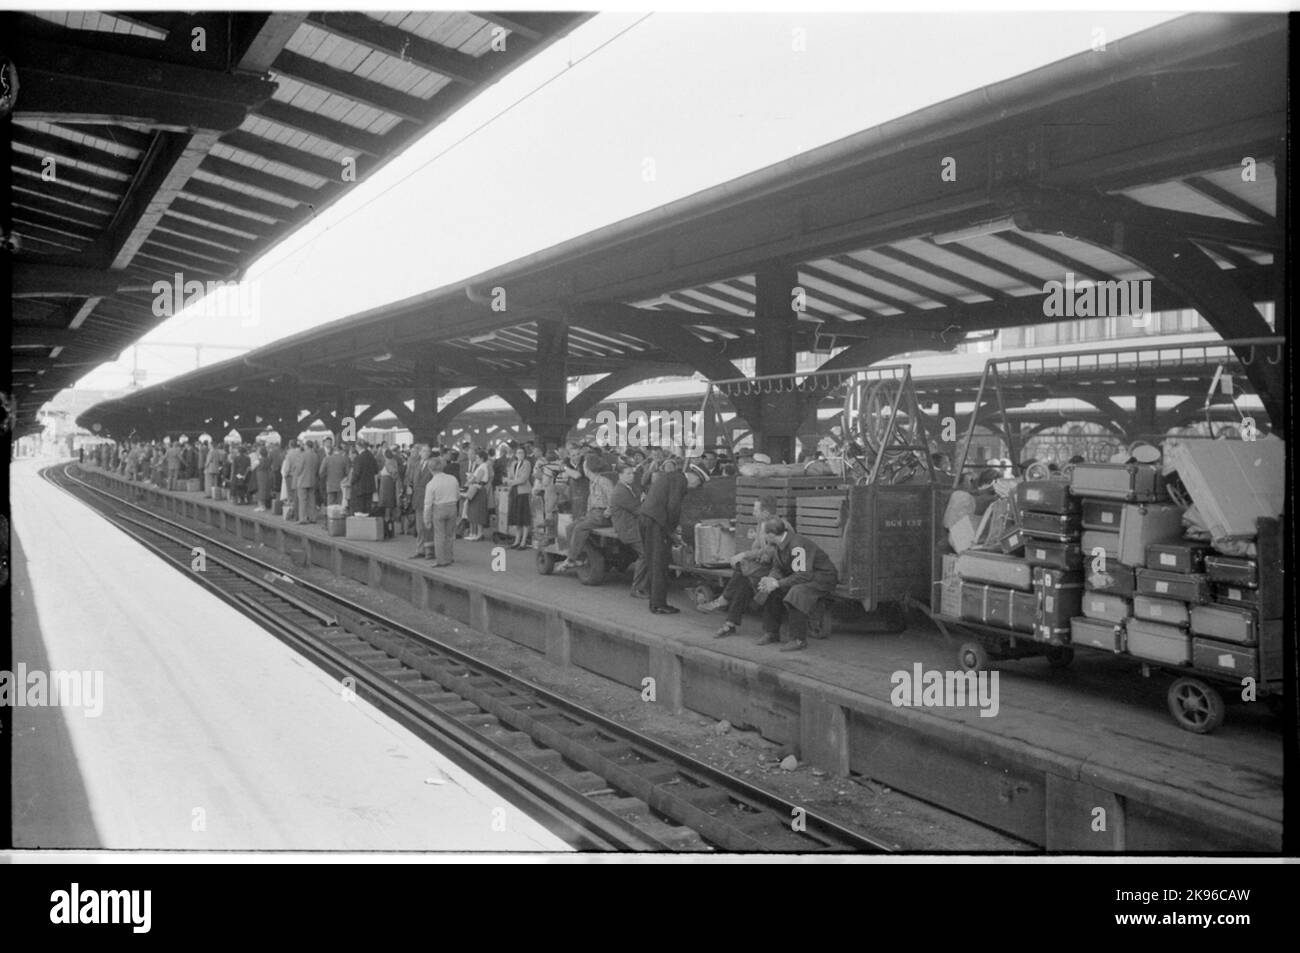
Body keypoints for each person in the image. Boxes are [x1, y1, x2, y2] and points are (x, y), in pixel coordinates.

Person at [699, 496, 791, 629]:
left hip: (780, 569)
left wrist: (745, 555)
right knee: (743, 579)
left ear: (765, 513)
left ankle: (725, 603)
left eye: (755, 510)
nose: (753, 513)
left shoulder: (779, 525)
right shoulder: (762, 524)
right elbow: (759, 548)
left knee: (741, 568)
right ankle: (730, 622)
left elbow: (771, 551)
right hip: (767, 566)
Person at [749, 518, 839, 652]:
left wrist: (778, 583)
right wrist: (770, 580)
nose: (762, 537)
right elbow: (778, 568)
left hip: (823, 577)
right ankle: (771, 633)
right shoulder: (780, 544)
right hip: (807, 576)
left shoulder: (796, 545)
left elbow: (803, 575)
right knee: (770, 591)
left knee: (797, 592)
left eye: (763, 534)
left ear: (771, 535)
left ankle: (798, 640)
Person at [638, 457, 687, 614]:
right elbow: (673, 506)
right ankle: (659, 604)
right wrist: (672, 531)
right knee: (659, 563)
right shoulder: (680, 479)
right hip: (655, 522)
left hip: (645, 517)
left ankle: (655, 602)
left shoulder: (665, 477)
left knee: (652, 561)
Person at [558, 455, 615, 571]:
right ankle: (577, 557)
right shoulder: (592, 482)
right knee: (570, 527)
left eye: (584, 466)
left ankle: (571, 559)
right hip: (593, 514)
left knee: (580, 528)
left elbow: (613, 500)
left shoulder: (604, 482)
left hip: (601, 514)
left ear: (589, 468)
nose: (583, 469)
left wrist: (608, 512)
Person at [609, 464, 647, 598]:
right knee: (646, 555)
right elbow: (638, 509)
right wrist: (643, 500)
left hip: (634, 526)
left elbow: (641, 497)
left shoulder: (630, 487)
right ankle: (637, 588)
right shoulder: (620, 491)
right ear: (620, 475)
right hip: (628, 529)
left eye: (632, 473)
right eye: (628, 474)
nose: (632, 476)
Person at [423, 456, 461, 567]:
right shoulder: (452, 479)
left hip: (439, 509)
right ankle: (449, 557)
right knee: (449, 535)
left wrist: (427, 519)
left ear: (430, 469)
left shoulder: (431, 484)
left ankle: (441, 560)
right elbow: (458, 495)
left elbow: (428, 504)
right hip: (452, 507)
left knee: (439, 535)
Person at [506, 445, 533, 549]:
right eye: (518, 453)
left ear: (525, 454)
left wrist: (511, 482)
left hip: (523, 492)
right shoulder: (513, 463)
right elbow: (511, 476)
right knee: (517, 517)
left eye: (522, 453)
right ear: (515, 454)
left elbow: (523, 479)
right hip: (515, 492)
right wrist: (510, 480)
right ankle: (517, 540)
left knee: (524, 517)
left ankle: (523, 541)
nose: (520, 455)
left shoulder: (527, 463)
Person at [463, 448, 492, 541]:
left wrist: (470, 478)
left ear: (482, 458)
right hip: (477, 489)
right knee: (474, 511)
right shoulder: (481, 466)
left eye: (478, 457)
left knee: (478, 512)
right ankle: (475, 533)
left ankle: (479, 533)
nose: (476, 459)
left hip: (478, 489)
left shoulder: (483, 466)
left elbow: (477, 479)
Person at [296, 440, 320, 524]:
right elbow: (317, 468)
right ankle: (313, 517)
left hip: (302, 480)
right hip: (312, 480)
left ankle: (303, 518)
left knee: (302, 500)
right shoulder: (315, 456)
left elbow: (299, 469)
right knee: (312, 500)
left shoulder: (303, 455)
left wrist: (297, 474)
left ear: (306, 446)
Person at [351, 441, 378, 514]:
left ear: (359, 446)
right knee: (367, 510)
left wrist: (351, 481)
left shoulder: (358, 458)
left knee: (360, 510)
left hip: (360, 486)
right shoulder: (371, 456)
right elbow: (376, 470)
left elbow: (357, 473)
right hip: (370, 485)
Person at [321, 443, 349, 508]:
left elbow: (321, 472)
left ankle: (331, 517)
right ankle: (340, 517)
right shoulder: (345, 459)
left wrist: (326, 477)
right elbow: (348, 473)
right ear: (341, 451)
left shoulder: (326, 459)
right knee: (340, 503)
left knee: (330, 504)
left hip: (330, 484)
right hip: (341, 485)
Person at [254, 446, 272, 511]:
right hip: (267, 474)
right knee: (266, 489)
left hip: (260, 475)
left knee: (261, 489)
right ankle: (265, 505)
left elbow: (253, 466)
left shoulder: (258, 460)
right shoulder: (268, 459)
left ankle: (261, 506)